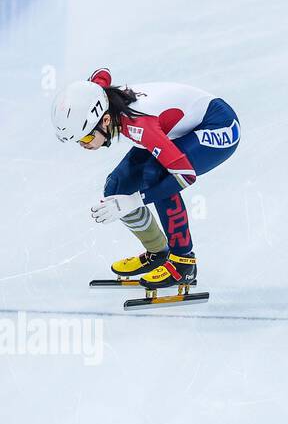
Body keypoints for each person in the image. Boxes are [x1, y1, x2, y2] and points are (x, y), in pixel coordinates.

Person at [51, 69, 240, 289]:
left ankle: (183, 263)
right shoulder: (98, 97)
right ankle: (158, 252)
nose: (84, 145)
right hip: (176, 128)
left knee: (157, 173)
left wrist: (135, 201)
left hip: (218, 126)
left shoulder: (139, 126)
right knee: (117, 187)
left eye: (86, 137)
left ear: (105, 120)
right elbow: (101, 74)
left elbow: (185, 176)